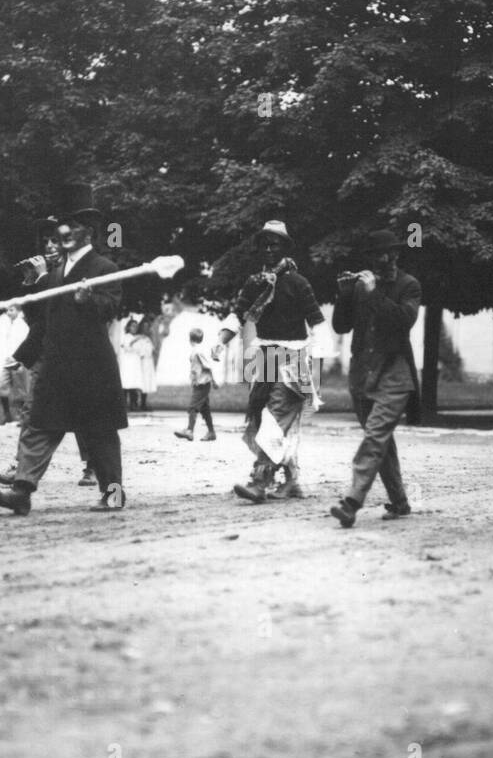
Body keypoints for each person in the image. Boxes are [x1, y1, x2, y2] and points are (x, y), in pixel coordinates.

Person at [0, 185, 128, 514]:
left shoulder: (104, 268)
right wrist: (20, 354)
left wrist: (88, 299)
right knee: (40, 428)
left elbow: (110, 309)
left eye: (72, 226)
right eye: (61, 226)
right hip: (56, 366)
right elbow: (43, 324)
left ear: (89, 232)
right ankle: (21, 492)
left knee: (101, 436)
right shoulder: (52, 277)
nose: (63, 232)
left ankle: (114, 494)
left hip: (92, 368)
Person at [224, 220, 325, 502]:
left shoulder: (298, 283)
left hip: (294, 360)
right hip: (266, 357)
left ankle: (260, 480)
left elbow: (317, 323)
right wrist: (218, 344)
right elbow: (238, 314)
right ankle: (292, 480)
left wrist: (314, 365)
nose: (269, 249)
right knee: (265, 416)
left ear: (284, 248)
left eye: (275, 244)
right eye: (264, 244)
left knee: (276, 416)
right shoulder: (255, 283)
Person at [328, 229, 422, 528]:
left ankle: (352, 501)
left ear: (396, 254)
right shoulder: (360, 286)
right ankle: (400, 502)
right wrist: (344, 296)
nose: (384, 259)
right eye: (377, 255)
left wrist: (373, 294)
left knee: (374, 437)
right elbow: (341, 327)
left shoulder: (409, 285)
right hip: (363, 374)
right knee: (381, 441)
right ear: (369, 258)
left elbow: (402, 322)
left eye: (389, 253)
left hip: (396, 374)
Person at [174, 327, 217, 441]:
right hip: (200, 383)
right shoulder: (198, 350)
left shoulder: (198, 352)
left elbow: (208, 366)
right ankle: (211, 432)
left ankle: (189, 430)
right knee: (205, 408)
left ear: (190, 339)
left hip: (202, 384)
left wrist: (213, 381)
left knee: (193, 407)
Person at [0, 307, 30, 425]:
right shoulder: (8, 325)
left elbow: (23, 344)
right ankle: (7, 414)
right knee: (1, 386)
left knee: (20, 389)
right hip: (7, 361)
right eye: (7, 310)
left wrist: (20, 360)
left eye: (12, 310)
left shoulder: (23, 326)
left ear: (19, 311)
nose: (8, 313)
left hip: (18, 361)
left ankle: (22, 417)